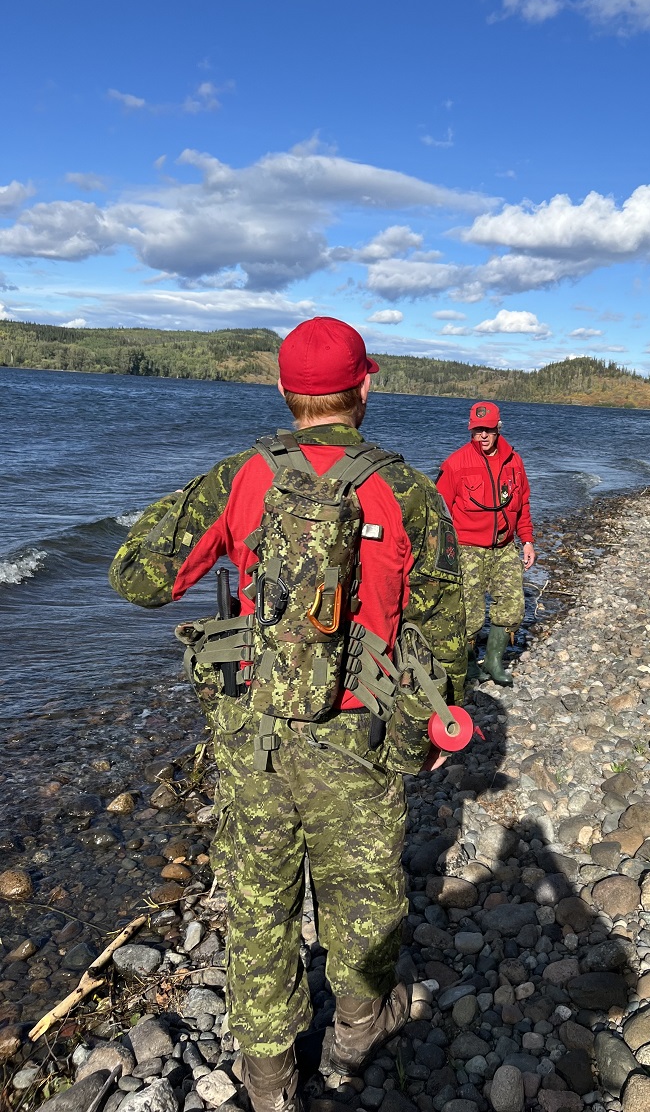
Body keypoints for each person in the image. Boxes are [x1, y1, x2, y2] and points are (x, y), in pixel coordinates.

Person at [109, 317, 466, 1112]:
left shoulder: (243, 477)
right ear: (364, 387)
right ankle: (355, 1038)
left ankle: (271, 1087)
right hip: (362, 737)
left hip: (254, 738)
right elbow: (445, 631)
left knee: (261, 906)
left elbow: (136, 576)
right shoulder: (408, 490)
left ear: (282, 389)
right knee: (365, 896)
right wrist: (441, 724)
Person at [436, 400, 535, 687]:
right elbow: (440, 511)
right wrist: (443, 551)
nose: (483, 436)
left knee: (513, 606)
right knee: (469, 611)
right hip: (467, 547)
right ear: (471, 430)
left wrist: (527, 540)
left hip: (504, 546)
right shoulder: (455, 464)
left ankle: (493, 662)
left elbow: (523, 504)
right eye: (477, 430)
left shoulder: (514, 461)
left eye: (488, 430)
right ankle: (468, 664)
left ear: (498, 429)